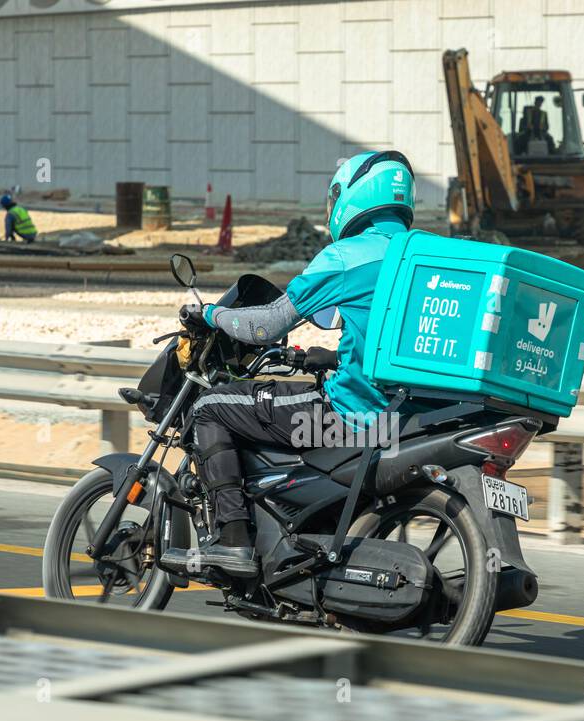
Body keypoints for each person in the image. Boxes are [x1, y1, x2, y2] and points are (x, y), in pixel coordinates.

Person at [177, 150, 415, 575]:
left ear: (351, 196)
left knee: (209, 407)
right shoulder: (426, 257)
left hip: (351, 418)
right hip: (404, 418)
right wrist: (332, 356)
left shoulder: (346, 257)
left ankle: (233, 540)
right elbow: (386, 336)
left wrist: (211, 314)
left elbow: (267, 325)